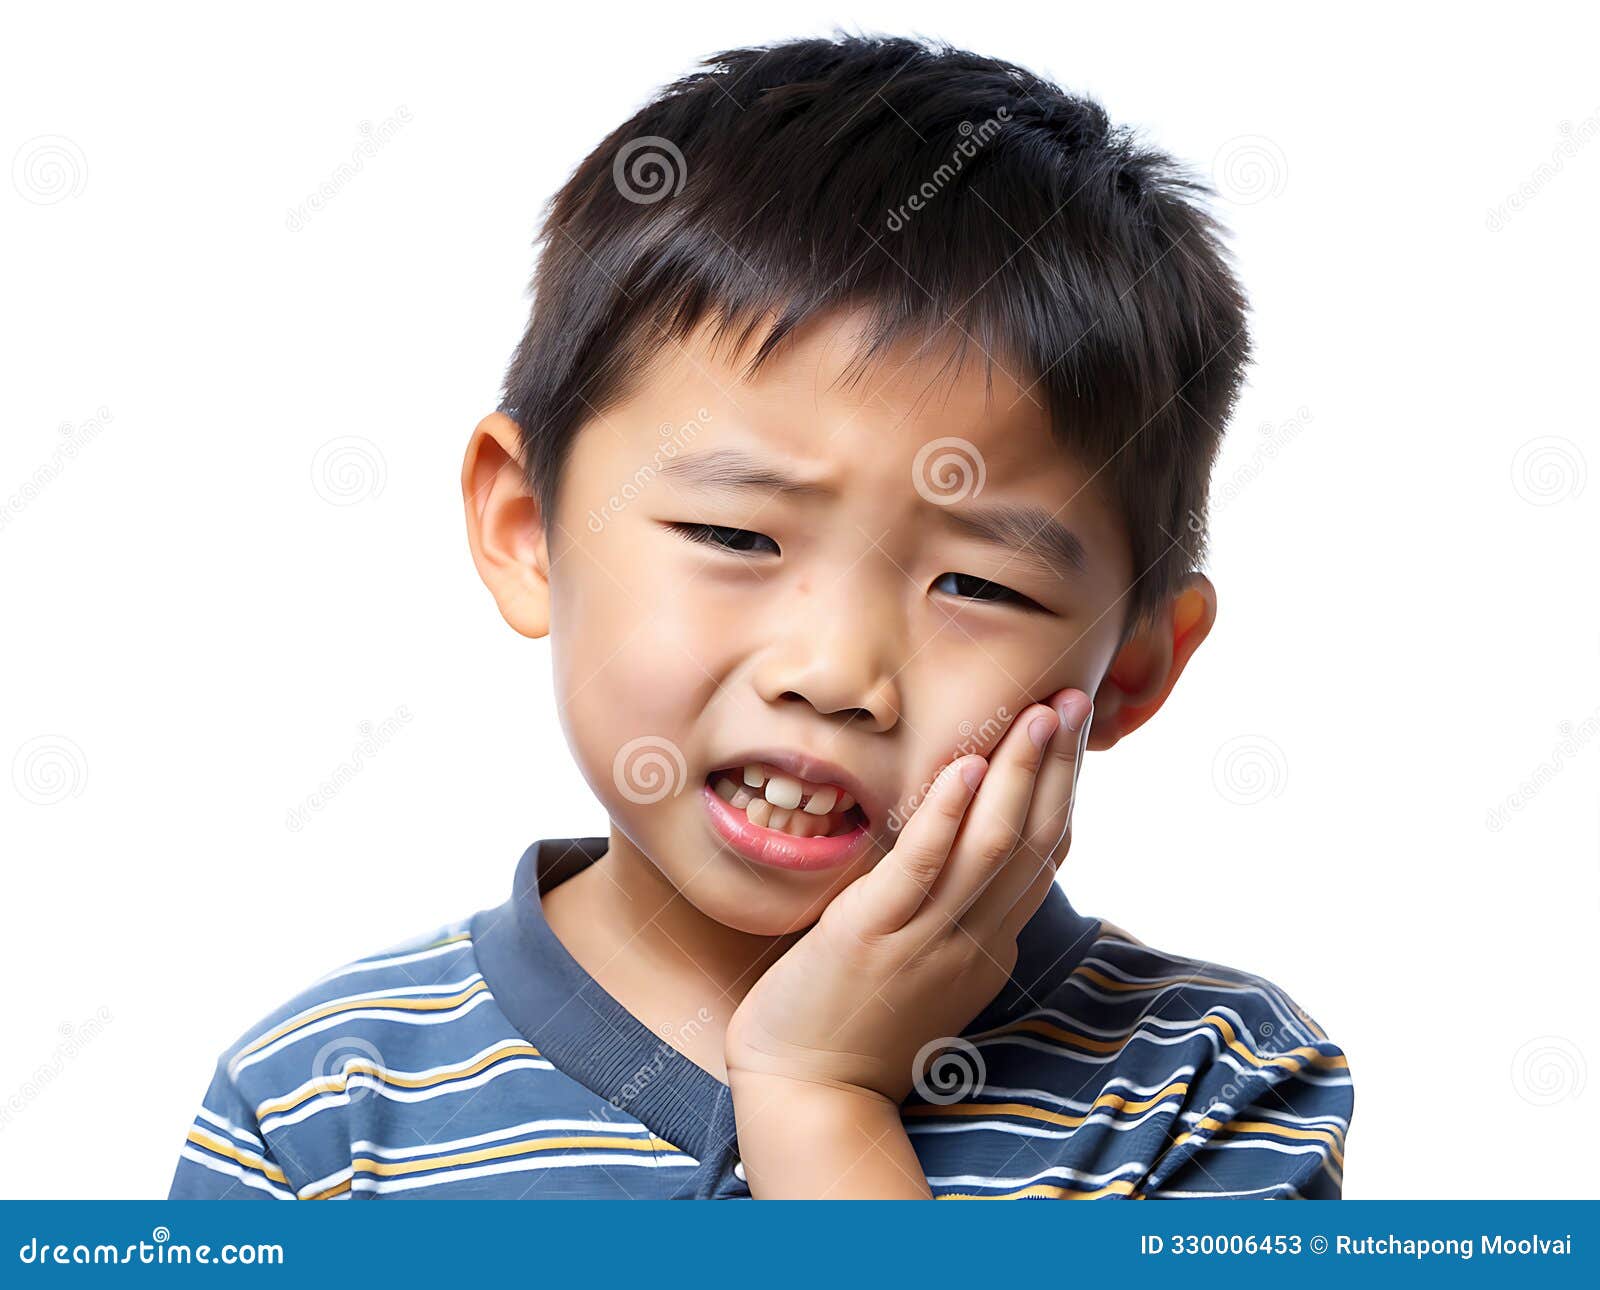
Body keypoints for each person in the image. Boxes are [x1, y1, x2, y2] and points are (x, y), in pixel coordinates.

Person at [170, 32, 1352, 1200]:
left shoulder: (1209, 1093)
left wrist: (818, 1098)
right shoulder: (320, 1113)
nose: (833, 672)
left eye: (978, 586)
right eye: (736, 537)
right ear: (528, 528)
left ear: (1132, 669)